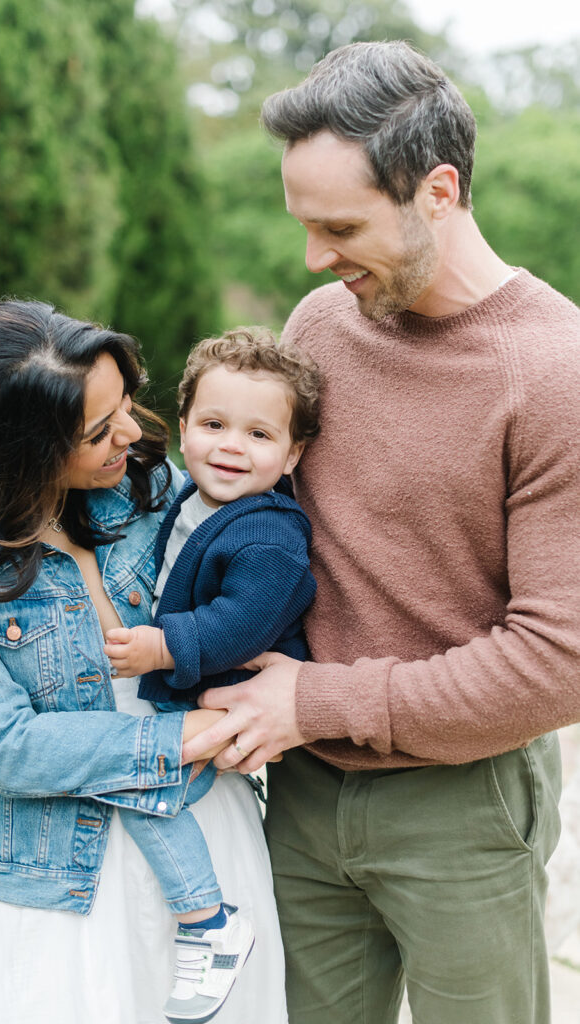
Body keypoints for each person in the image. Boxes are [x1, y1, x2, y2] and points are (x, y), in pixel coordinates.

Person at [182, 41, 580, 1024]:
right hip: (302, 790)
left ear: (436, 190)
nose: (313, 258)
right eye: (303, 225)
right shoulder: (320, 322)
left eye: (340, 226)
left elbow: (557, 659)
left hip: (460, 804)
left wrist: (315, 698)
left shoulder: (550, 373)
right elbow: (257, 512)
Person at [0, 300, 288, 1024]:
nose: (133, 434)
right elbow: (5, 748)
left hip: (200, 828)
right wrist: (190, 734)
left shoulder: (154, 490)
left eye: (127, 405)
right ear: (16, 452)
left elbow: (260, 578)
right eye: (98, 431)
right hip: (57, 883)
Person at [103, 327, 319, 1021]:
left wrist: (162, 647)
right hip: (197, 688)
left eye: (258, 435)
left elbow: (241, 623)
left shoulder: (267, 532)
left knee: (144, 782)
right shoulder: (191, 499)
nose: (230, 446)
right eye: (214, 424)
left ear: (293, 453)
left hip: (233, 695)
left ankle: (209, 924)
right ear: (185, 421)